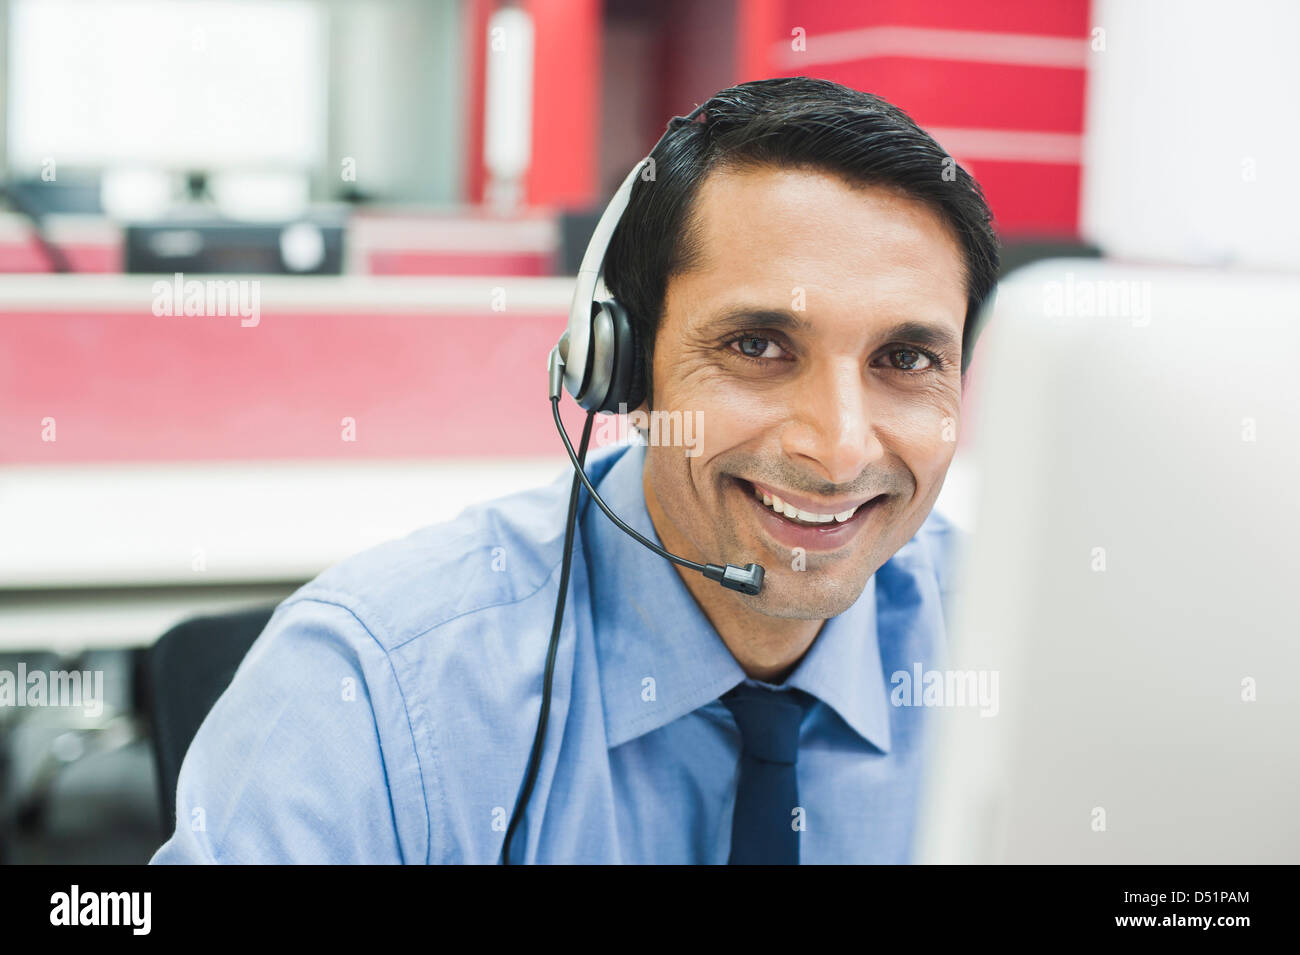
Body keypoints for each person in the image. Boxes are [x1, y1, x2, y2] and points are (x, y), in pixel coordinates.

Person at [152, 76, 999, 864]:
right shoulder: (371, 689)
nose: (843, 449)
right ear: (620, 369)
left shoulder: (1021, 652)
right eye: (756, 346)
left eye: (906, 358)